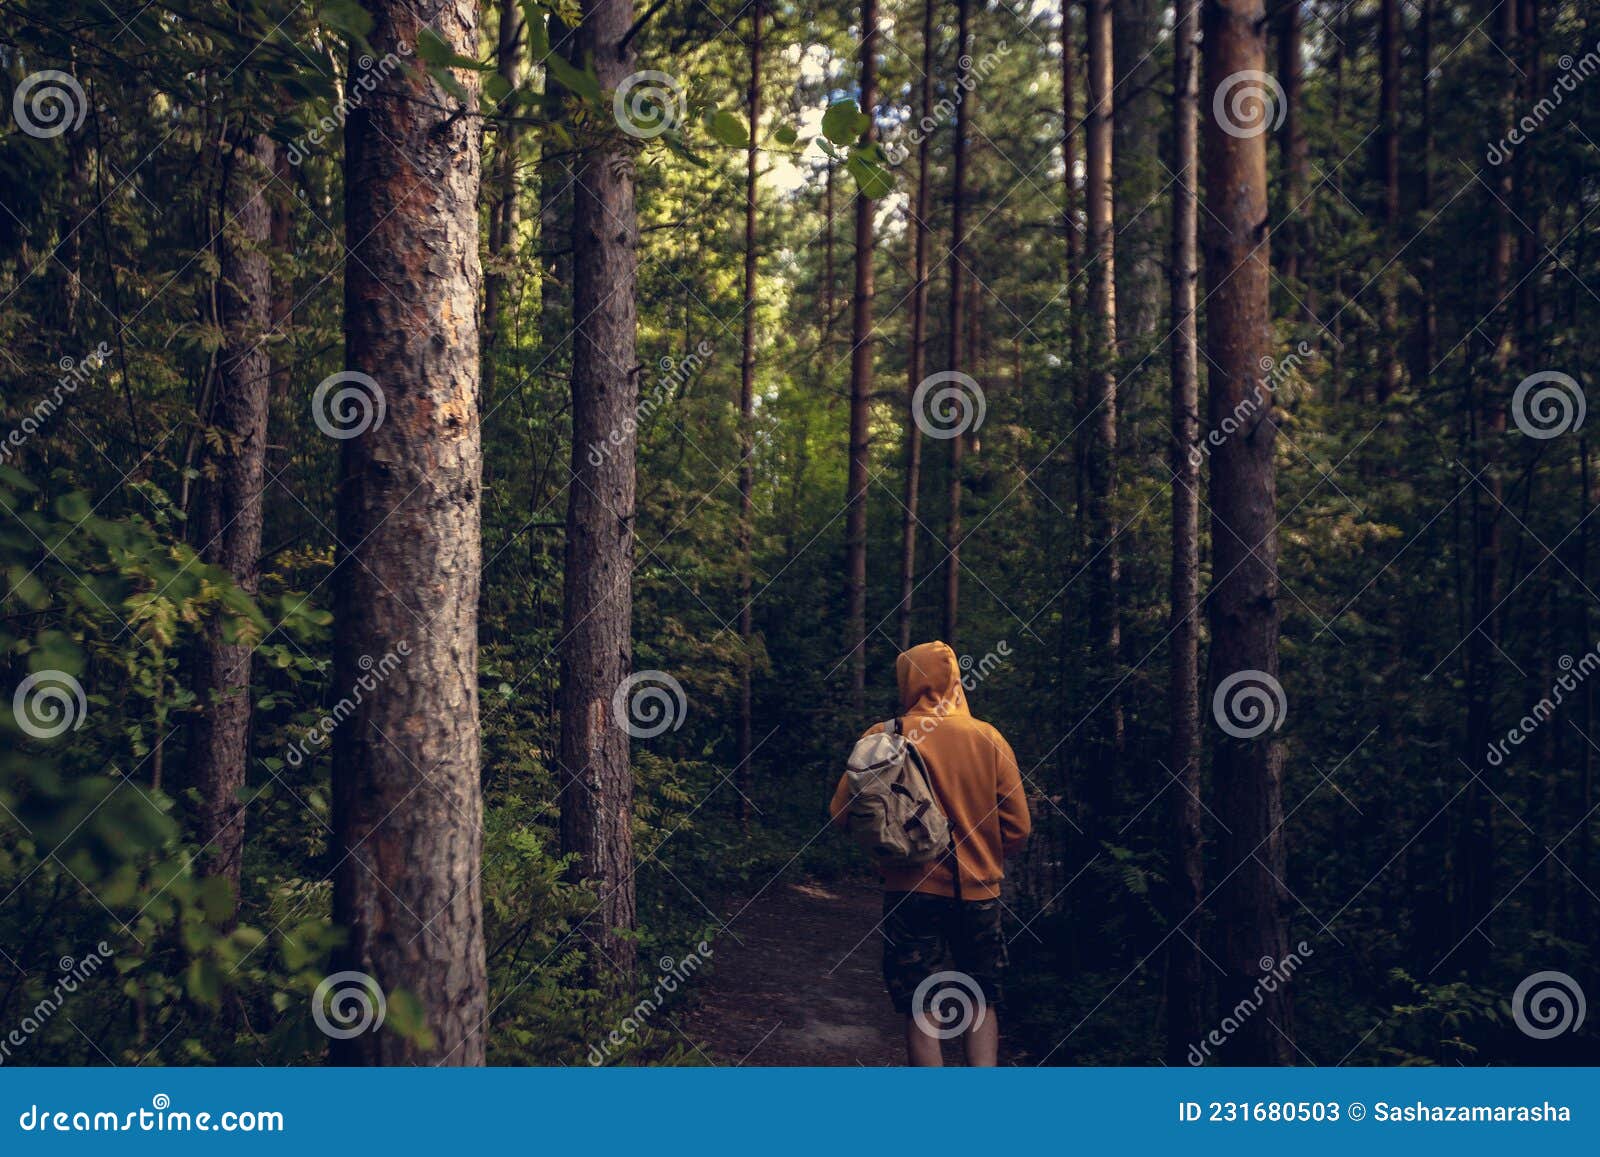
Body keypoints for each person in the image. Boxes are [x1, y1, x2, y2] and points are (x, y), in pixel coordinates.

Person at [829, 640, 1031, 1066]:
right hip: (980, 894)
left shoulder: (884, 737)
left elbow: (842, 813)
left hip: (909, 891)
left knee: (922, 1003)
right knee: (980, 998)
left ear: (909, 681)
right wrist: (987, 857)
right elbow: (1019, 828)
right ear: (956, 682)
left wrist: (887, 851)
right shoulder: (988, 738)